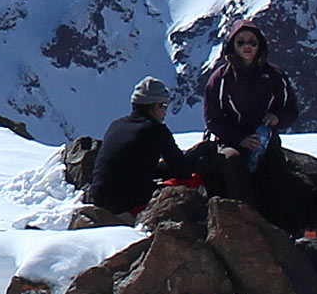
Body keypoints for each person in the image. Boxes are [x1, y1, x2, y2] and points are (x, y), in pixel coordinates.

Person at [199, 19, 301, 223]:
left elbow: (291, 110)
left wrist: (277, 117)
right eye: (241, 42)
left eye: (252, 42)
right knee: (233, 163)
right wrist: (240, 139)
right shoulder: (220, 79)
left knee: (276, 173)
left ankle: (282, 230)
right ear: (232, 45)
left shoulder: (275, 76)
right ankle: (246, 223)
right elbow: (213, 120)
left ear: (260, 45)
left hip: (266, 141)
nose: (247, 47)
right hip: (231, 142)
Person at [82, 76, 194, 219]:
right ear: (155, 107)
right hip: (127, 205)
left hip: (99, 200)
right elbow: (182, 171)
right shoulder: (156, 130)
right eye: (164, 106)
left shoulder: (115, 125)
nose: (165, 112)